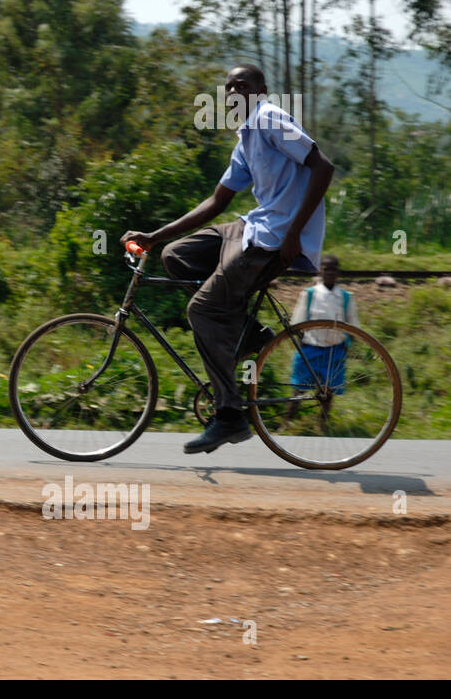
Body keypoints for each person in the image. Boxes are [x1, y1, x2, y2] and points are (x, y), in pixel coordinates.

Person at [121, 63, 334, 454]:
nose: (234, 91)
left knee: (201, 312)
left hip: (274, 239)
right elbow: (218, 201)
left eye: (243, 84)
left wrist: (293, 234)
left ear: (260, 89)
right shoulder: (246, 137)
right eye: (229, 87)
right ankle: (249, 332)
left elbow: (323, 167)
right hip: (253, 227)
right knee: (176, 255)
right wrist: (152, 237)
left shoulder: (270, 117)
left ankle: (230, 416)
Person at [288, 253, 359, 396]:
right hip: (310, 349)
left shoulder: (346, 298)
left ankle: (322, 418)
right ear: (320, 271)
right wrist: (302, 345)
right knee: (299, 388)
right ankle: (288, 418)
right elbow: (297, 324)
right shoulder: (309, 294)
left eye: (333, 270)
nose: (330, 273)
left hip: (335, 352)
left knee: (328, 393)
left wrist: (346, 348)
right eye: (326, 269)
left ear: (338, 272)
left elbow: (354, 328)